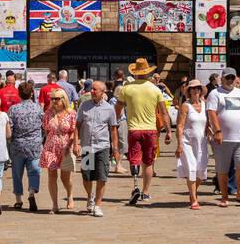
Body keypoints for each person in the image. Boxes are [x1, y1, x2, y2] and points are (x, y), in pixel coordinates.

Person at [115, 58, 173, 204]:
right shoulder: (155, 89)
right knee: (148, 162)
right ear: (147, 72)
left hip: (133, 129)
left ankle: (135, 186)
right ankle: (145, 192)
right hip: (150, 130)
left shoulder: (126, 89)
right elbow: (164, 112)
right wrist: (168, 131)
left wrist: (114, 122)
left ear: (135, 73)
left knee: (134, 159)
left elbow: (118, 108)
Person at [208, 67, 240, 208]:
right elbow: (212, 113)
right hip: (223, 138)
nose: (230, 80)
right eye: (227, 77)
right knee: (223, 168)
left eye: (232, 78)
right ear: (222, 78)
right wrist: (217, 131)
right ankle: (224, 196)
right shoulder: (215, 94)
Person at [76, 80, 119, 216]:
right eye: (92, 89)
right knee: (87, 176)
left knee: (102, 176)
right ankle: (90, 197)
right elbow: (77, 125)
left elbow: (113, 130)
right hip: (87, 147)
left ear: (102, 92)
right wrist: (76, 143)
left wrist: (115, 148)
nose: (92, 91)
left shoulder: (109, 108)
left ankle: (98, 205)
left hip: (103, 146)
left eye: (95, 89)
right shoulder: (84, 105)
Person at [40, 87, 78, 213]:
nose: (54, 101)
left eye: (57, 99)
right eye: (52, 99)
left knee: (65, 177)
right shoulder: (48, 113)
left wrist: (71, 145)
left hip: (66, 147)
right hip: (51, 147)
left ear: (63, 99)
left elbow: (73, 131)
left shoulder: (71, 113)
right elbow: (46, 130)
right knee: (51, 176)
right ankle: (54, 204)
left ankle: (70, 195)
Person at [175, 79, 211, 209]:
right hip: (187, 142)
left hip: (201, 142)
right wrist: (179, 144)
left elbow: (207, 122)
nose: (196, 91)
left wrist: (209, 129)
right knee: (191, 168)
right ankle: (194, 200)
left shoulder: (204, 104)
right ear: (189, 91)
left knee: (201, 170)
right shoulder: (186, 105)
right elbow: (180, 126)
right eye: (193, 88)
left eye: (198, 88)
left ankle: (193, 192)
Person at [8, 81, 43, 212]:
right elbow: (43, 125)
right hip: (34, 144)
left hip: (18, 144)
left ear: (19, 94)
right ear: (32, 93)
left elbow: (9, 128)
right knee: (34, 170)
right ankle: (32, 192)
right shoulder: (38, 108)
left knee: (17, 173)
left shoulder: (13, 109)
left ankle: (18, 199)